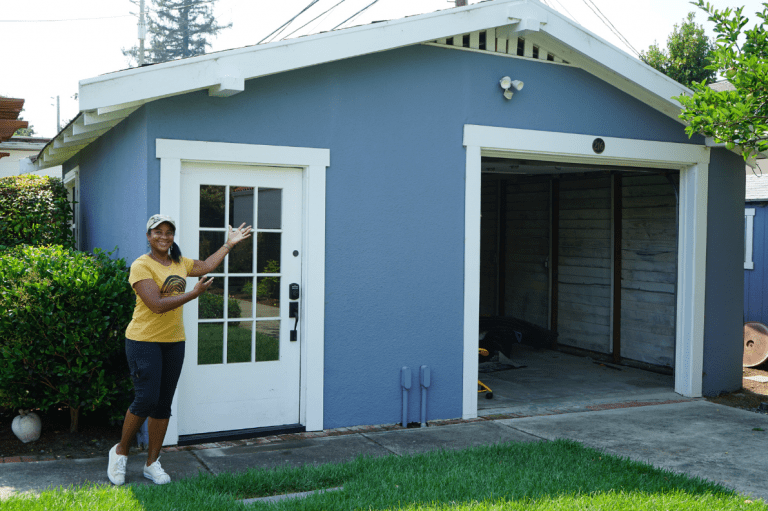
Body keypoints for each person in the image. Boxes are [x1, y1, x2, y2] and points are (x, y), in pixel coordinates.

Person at [107, 214, 252, 486]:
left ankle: (152, 463)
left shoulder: (179, 263)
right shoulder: (141, 266)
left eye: (168, 232)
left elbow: (207, 264)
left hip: (173, 341)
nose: (164, 237)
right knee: (145, 399)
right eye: (157, 232)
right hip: (143, 341)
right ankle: (120, 452)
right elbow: (157, 304)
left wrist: (229, 244)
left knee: (163, 404)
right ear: (148, 236)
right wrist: (193, 294)